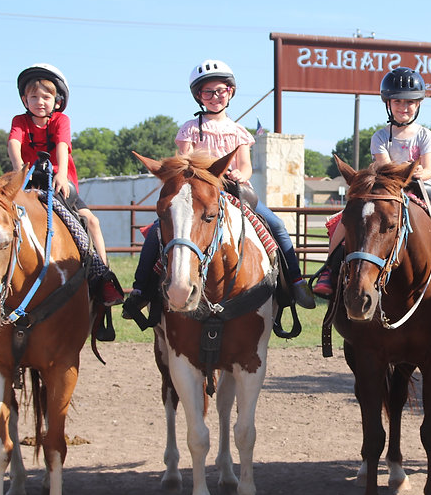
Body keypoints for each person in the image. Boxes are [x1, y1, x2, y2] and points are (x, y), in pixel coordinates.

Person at [122, 59, 316, 317]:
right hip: (199, 193)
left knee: (277, 226)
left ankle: (294, 282)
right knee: (158, 232)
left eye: (221, 91)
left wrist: (239, 173)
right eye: (208, 92)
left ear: (230, 92)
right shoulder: (190, 129)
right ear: (198, 96)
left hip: (233, 190)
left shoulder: (238, 131)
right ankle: (140, 290)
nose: (215, 97)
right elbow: (184, 163)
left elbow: (246, 166)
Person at [0, 64, 123, 307]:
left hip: (57, 183)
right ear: (25, 99)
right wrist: (19, 169)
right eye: (34, 96)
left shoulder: (60, 121)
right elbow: (14, 142)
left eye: (46, 96)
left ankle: (101, 275)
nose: (40, 101)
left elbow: (63, 146)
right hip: (24, 181)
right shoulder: (19, 121)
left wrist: (62, 174)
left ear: (57, 101)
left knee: (90, 221)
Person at [312, 67, 431, 306]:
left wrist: (418, 172)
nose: (403, 107)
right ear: (388, 104)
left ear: (418, 105)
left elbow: (428, 170)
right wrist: (404, 171)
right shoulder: (379, 137)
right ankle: (329, 269)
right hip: (390, 190)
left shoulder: (425, 135)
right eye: (397, 101)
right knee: (345, 221)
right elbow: (385, 169)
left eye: (410, 102)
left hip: (423, 190)